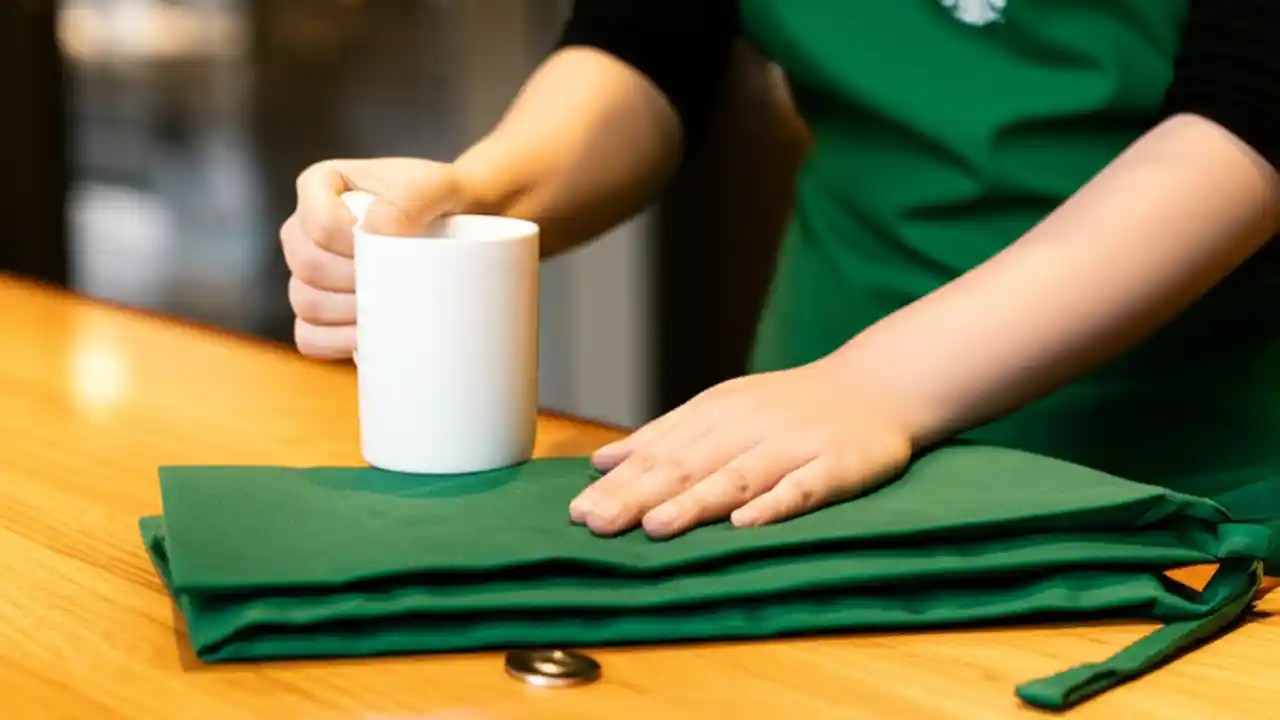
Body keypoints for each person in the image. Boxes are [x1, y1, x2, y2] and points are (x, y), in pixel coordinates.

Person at [280, 1, 1280, 559]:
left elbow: (1247, 119)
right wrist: (473, 192)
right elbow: (647, 45)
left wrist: (880, 385)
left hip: (1186, 476)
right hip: (812, 471)